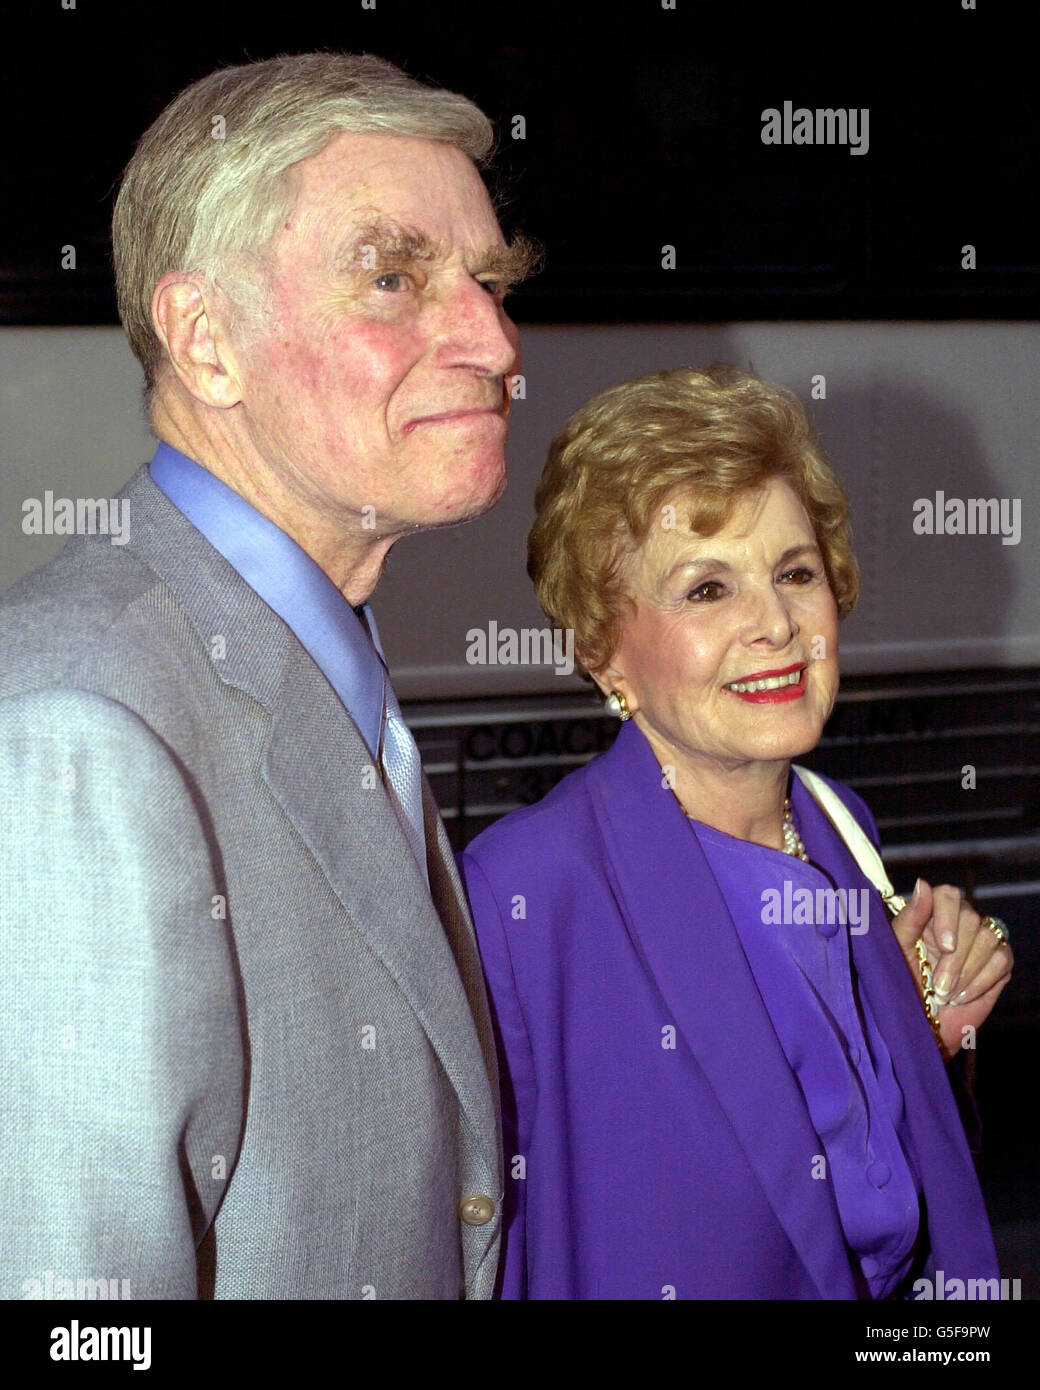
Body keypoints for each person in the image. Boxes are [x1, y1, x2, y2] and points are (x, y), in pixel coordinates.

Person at [0, 52, 538, 1300]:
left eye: (490, 282)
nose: (494, 340)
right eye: (395, 279)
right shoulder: (79, 735)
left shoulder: (300, 642)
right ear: (206, 341)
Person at [459, 365, 1014, 1300]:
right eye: (707, 590)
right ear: (602, 649)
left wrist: (925, 1042)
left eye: (795, 573)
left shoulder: (841, 828)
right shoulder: (529, 894)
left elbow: (869, 1207)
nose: (776, 624)